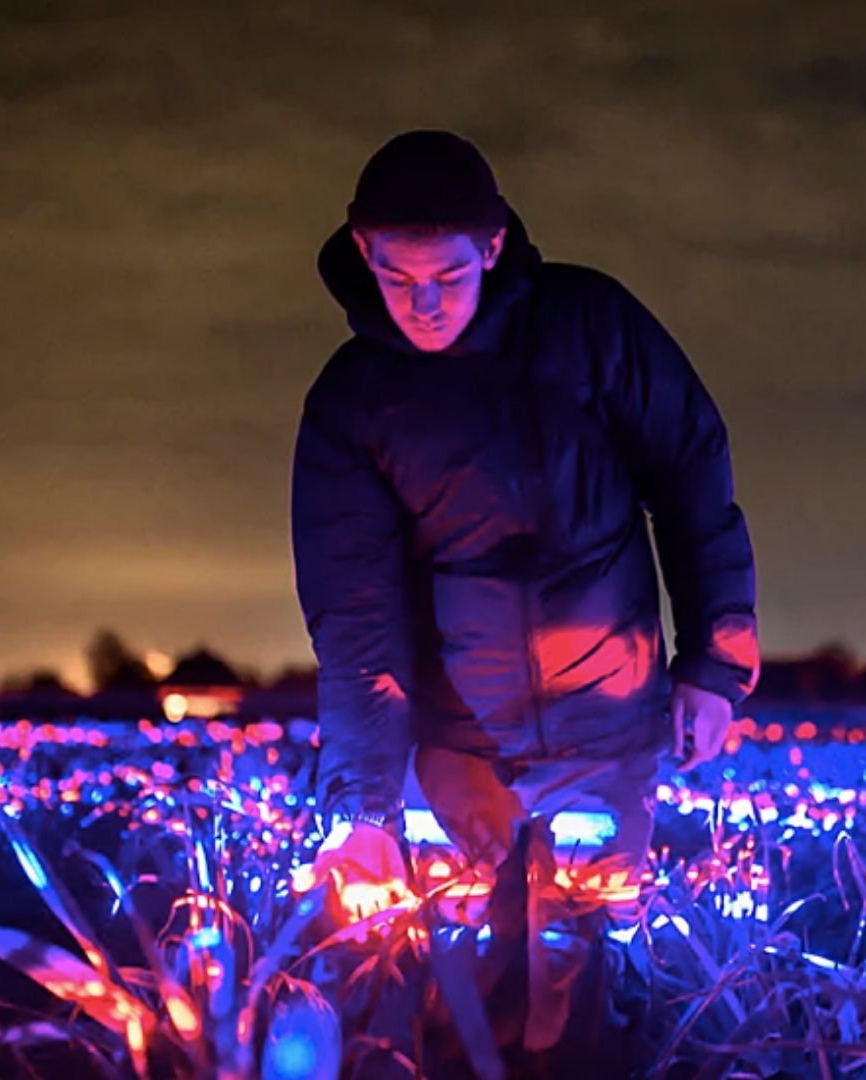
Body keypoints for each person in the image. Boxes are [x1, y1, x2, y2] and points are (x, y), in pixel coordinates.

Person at [291, 131, 759, 926]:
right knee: (464, 985)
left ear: (494, 244)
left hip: (603, 737)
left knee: (587, 968)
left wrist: (715, 665)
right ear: (363, 249)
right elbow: (354, 620)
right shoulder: (352, 403)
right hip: (452, 750)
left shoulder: (590, 327)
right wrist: (365, 809)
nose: (424, 304)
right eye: (396, 276)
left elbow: (692, 479)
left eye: (449, 275)